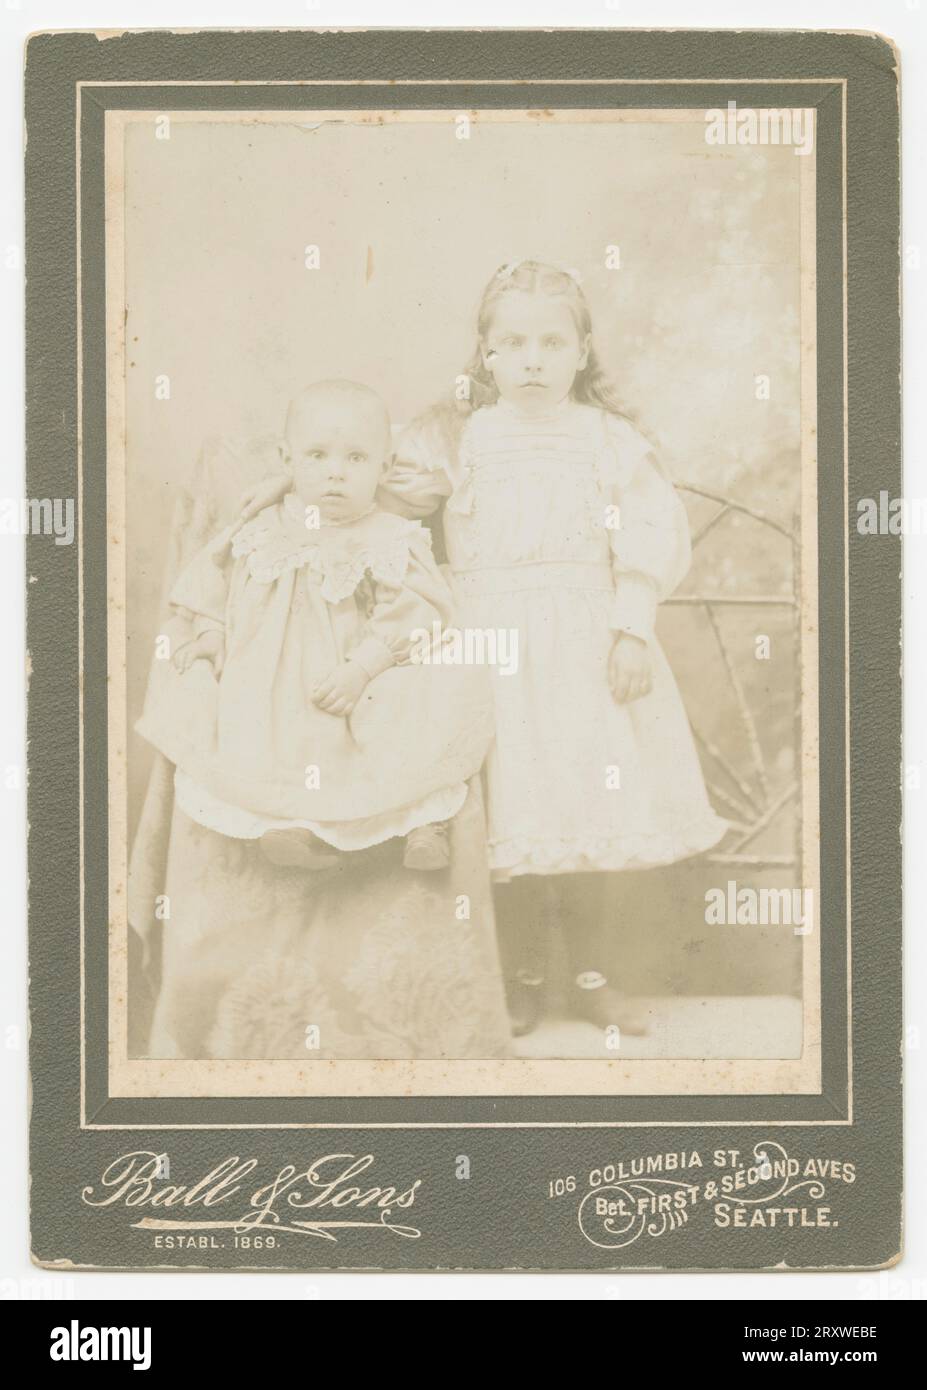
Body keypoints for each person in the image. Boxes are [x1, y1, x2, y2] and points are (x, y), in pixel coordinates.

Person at [135, 379, 493, 873]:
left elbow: (417, 612)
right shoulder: (263, 526)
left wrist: (364, 668)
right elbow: (216, 577)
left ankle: (419, 823)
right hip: (279, 670)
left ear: (384, 468)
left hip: (366, 667)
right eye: (317, 456)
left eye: (356, 459)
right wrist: (212, 634)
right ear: (288, 460)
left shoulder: (388, 535)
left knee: (410, 702)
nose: (335, 475)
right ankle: (286, 825)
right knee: (274, 718)